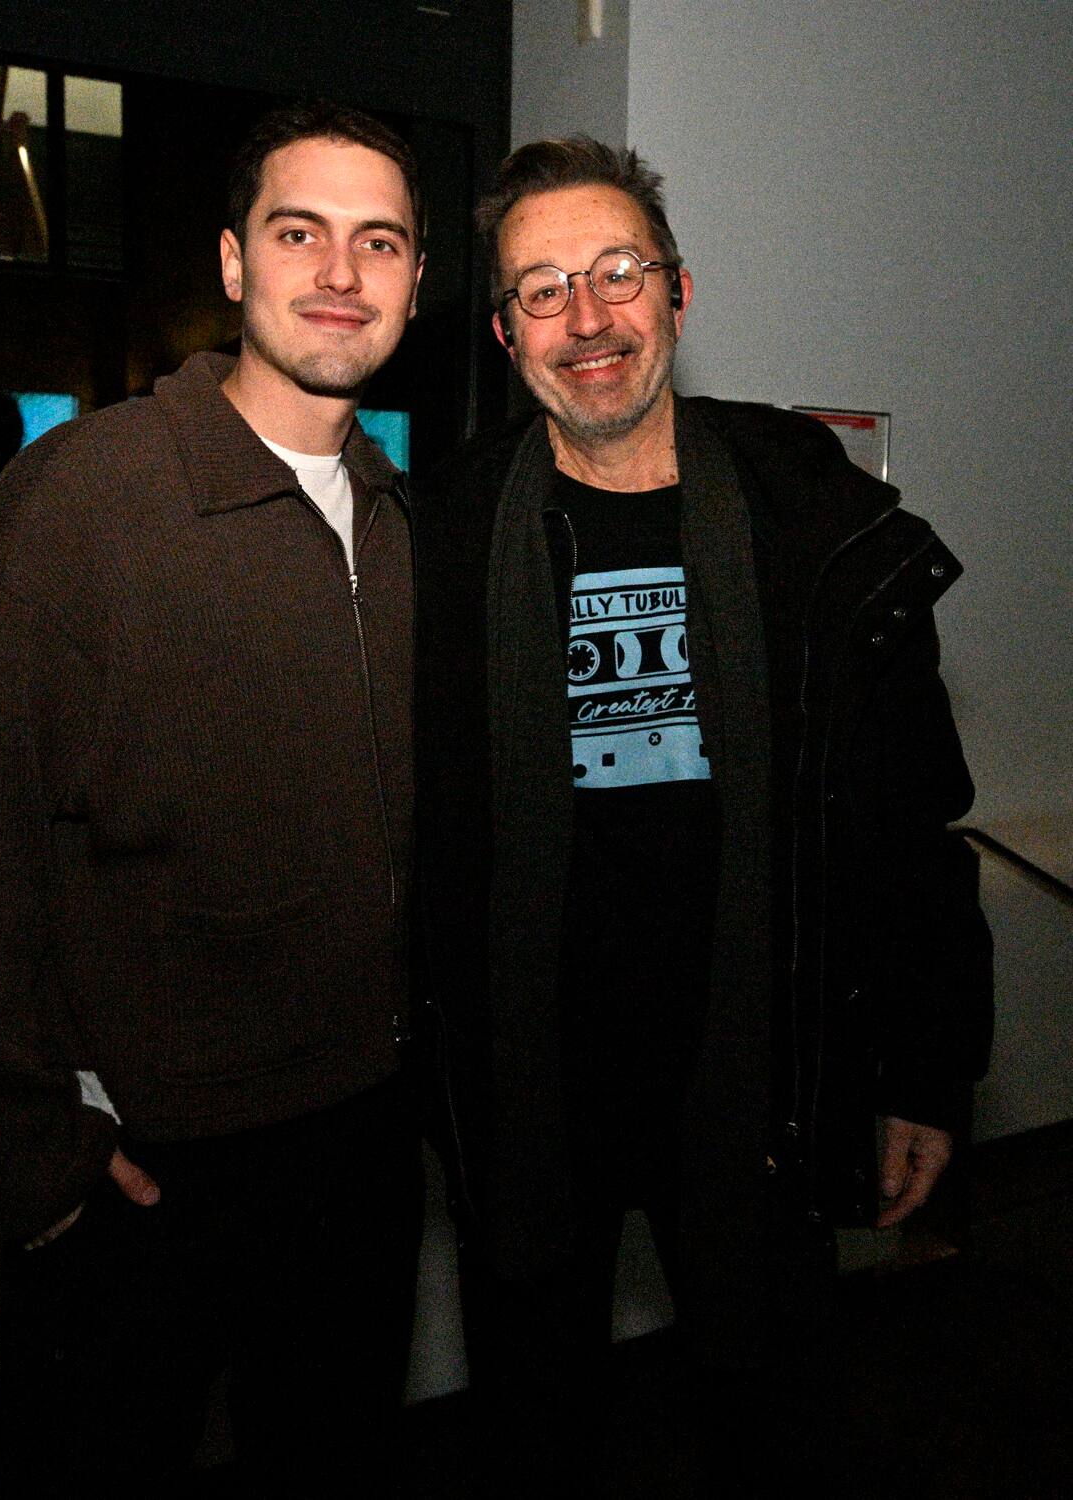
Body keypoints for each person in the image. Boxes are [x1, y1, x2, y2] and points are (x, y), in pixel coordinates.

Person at [413, 136, 992, 1493]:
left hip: (759, 1075)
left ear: (680, 292)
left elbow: (909, 818)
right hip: (528, 1089)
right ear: (504, 333)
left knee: (774, 1423)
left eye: (619, 271)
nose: (588, 316)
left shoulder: (815, 524)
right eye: (542, 289)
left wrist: (924, 1066)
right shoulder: (439, 541)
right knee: (535, 1434)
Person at [0, 102, 425, 1497]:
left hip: (358, 1150)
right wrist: (36, 1161)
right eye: (300, 233)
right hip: (148, 1173)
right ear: (235, 264)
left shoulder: (400, 515)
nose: (341, 275)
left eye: (381, 242)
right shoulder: (83, 499)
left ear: (419, 282)